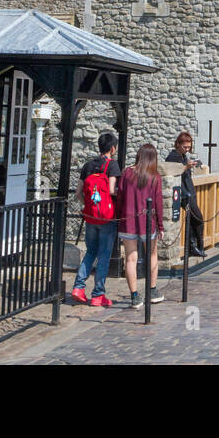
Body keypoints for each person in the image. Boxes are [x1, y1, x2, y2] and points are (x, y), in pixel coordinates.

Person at [72, 130, 120, 307]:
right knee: (104, 255)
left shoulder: (87, 166)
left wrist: (90, 205)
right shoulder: (112, 166)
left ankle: (78, 287)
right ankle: (98, 294)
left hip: (91, 216)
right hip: (107, 218)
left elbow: (78, 193)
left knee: (90, 252)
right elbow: (113, 190)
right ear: (113, 148)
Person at [118, 142, 165, 309]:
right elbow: (158, 203)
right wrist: (161, 225)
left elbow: (120, 197)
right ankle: (152, 290)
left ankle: (134, 296)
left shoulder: (127, 173)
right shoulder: (155, 177)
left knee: (131, 259)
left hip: (128, 221)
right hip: (147, 222)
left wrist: (119, 218)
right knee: (152, 255)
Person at [165, 131, 205, 258]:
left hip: (188, 190)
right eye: (185, 147)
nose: (187, 149)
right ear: (178, 144)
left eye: (189, 147)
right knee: (198, 218)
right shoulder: (173, 157)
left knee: (193, 219)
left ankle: (193, 247)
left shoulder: (183, 156)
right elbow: (172, 172)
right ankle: (196, 246)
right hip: (183, 193)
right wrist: (186, 167)